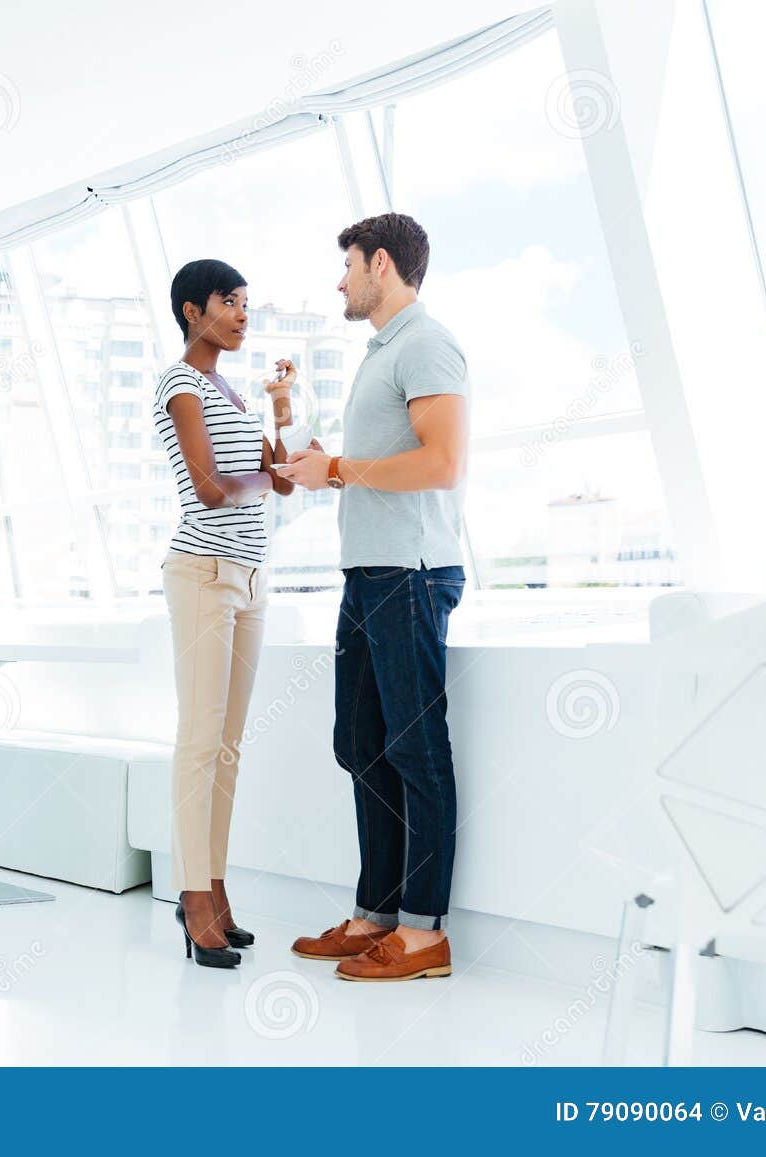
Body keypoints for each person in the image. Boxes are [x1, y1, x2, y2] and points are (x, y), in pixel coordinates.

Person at [273, 213, 470, 982]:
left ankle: (423, 935)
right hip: (369, 572)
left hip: (411, 573)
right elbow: (372, 466)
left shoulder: (426, 344)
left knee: (417, 750)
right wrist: (324, 462)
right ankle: (375, 915)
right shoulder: (384, 353)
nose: (340, 282)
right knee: (360, 743)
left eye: (348, 265)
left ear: (380, 263)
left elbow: (442, 462)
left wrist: (341, 470)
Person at [153, 258, 298, 969]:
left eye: (246, 303)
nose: (242, 314)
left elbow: (285, 480)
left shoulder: (235, 394)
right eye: (229, 301)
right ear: (192, 310)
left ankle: (214, 885)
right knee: (200, 740)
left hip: (251, 577)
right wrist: (269, 478)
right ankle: (192, 896)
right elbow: (210, 488)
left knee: (230, 745)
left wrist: (281, 407)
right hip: (204, 573)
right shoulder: (180, 383)